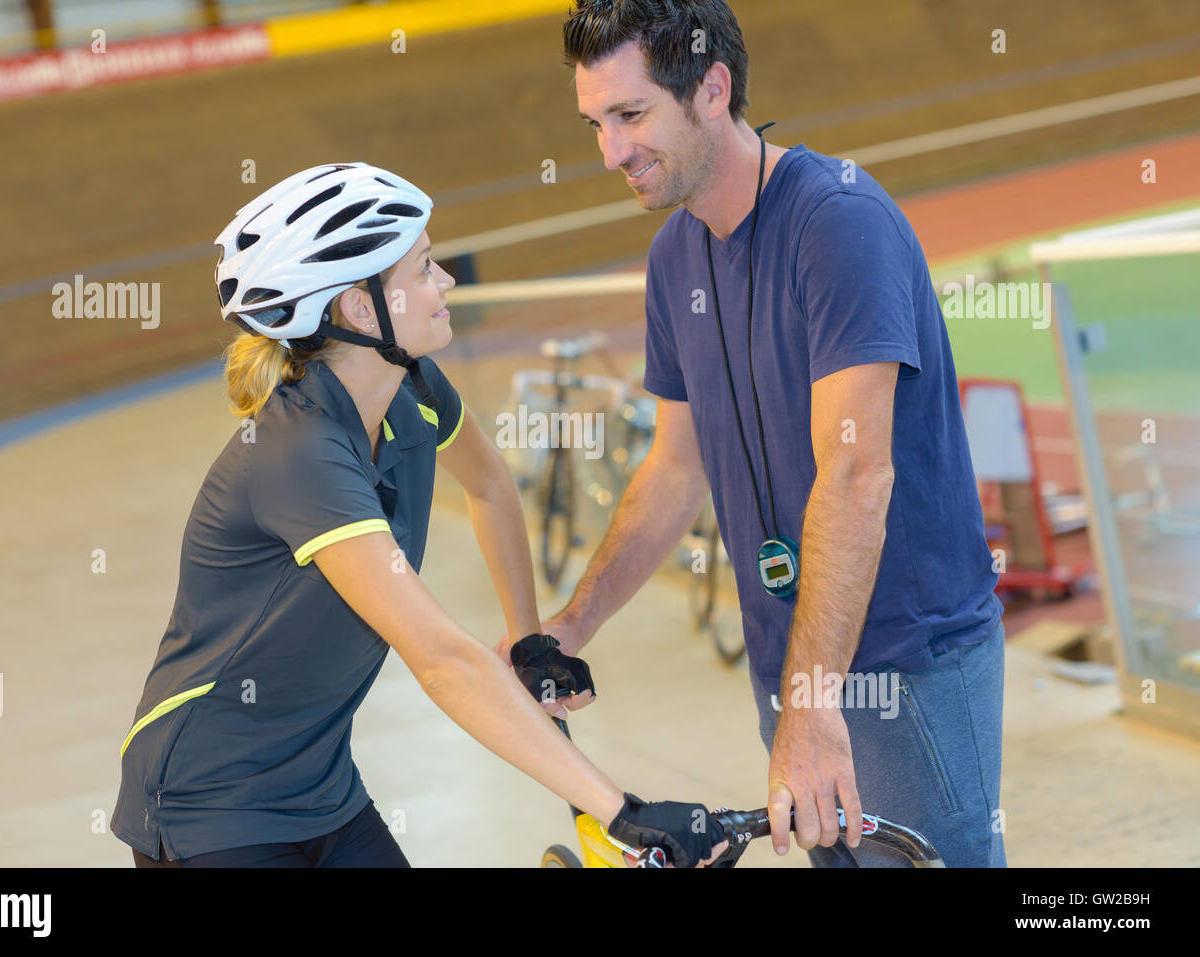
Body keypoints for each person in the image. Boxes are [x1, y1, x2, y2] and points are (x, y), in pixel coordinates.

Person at [111, 162, 728, 868]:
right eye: (426, 269)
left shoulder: (410, 386)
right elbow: (441, 659)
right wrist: (618, 809)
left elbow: (492, 484)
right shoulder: (299, 453)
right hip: (210, 804)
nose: (448, 285)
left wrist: (529, 644)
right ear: (362, 308)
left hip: (320, 788)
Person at [528, 0, 1007, 867]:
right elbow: (677, 468)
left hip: (900, 662)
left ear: (712, 88)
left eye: (631, 115)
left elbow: (859, 473)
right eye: (595, 123)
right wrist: (572, 623)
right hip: (791, 663)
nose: (610, 151)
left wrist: (818, 700)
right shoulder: (676, 256)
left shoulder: (837, 223)